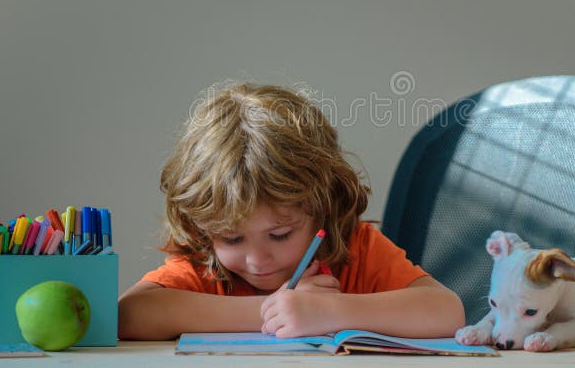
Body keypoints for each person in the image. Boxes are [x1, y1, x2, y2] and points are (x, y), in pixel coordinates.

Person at [118, 82, 464, 340]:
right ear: (204, 229)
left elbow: (447, 311)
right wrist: (273, 311)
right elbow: (130, 314)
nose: (257, 260)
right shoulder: (204, 261)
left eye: (280, 234)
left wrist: (329, 311)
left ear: (323, 209)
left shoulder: (356, 249)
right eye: (232, 238)